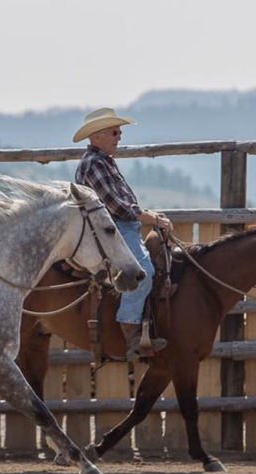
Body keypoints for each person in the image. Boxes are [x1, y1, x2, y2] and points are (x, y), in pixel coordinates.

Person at [72, 107, 171, 363]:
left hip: (120, 228)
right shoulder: (94, 164)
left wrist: (147, 216)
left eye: (119, 132)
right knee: (142, 272)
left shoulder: (103, 162)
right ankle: (132, 334)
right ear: (97, 136)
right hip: (110, 231)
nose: (119, 138)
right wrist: (150, 217)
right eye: (115, 132)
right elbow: (116, 206)